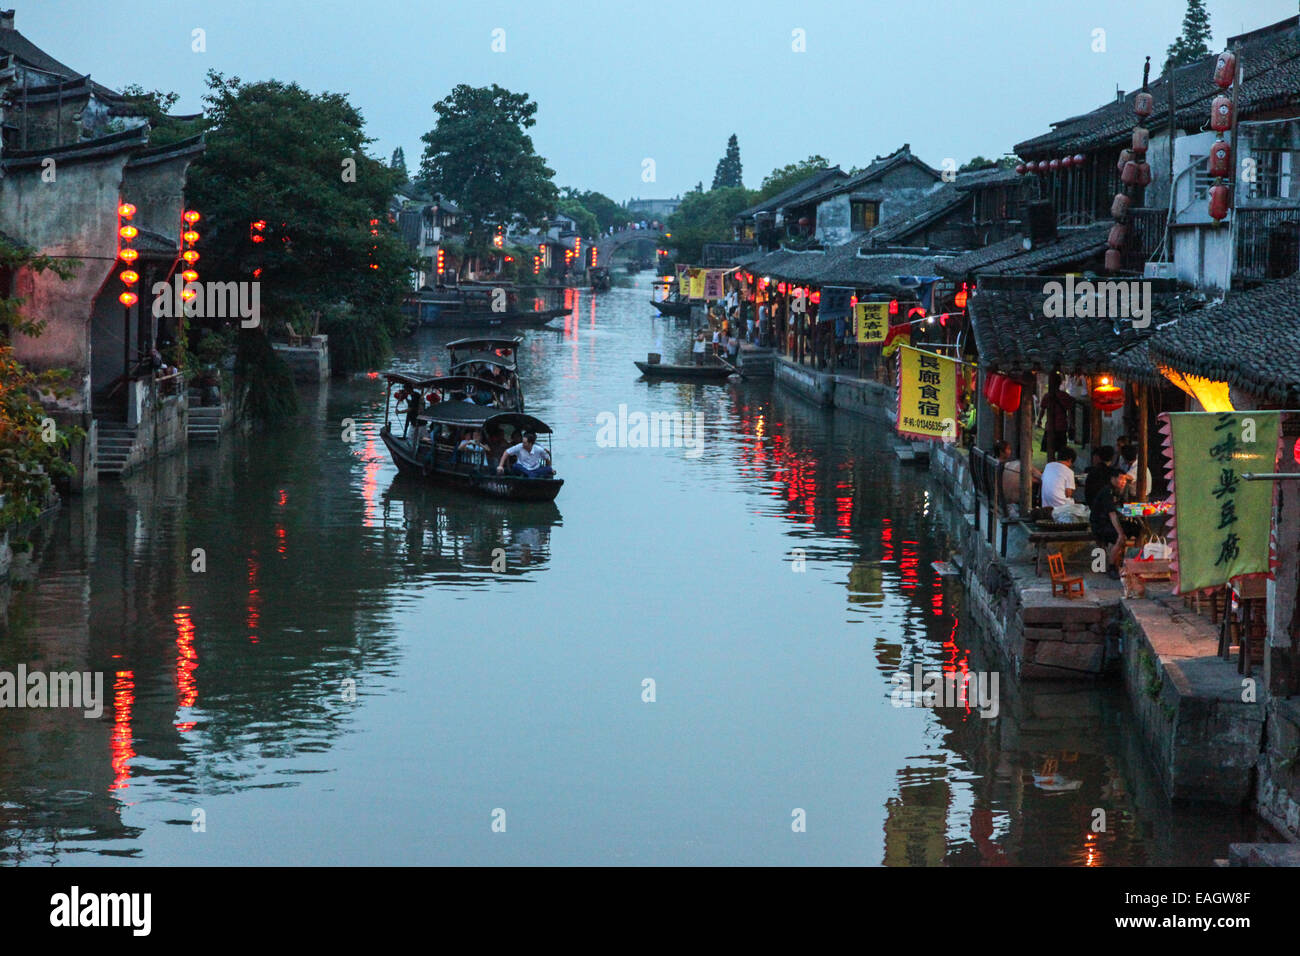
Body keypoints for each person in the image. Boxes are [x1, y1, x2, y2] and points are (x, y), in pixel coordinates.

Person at [1089, 467, 1131, 579]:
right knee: (1119, 536)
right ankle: (1112, 567)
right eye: (1121, 479)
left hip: (1110, 522)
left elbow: (1124, 507)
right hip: (1100, 524)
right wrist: (1121, 533)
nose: (1123, 482)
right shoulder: (1107, 492)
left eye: (1125, 480)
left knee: (1135, 529)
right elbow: (1112, 514)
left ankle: (1128, 563)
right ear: (1113, 479)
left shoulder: (1119, 491)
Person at [994, 439, 1041, 515]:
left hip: (1003, 501)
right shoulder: (1027, 467)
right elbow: (1042, 478)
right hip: (1016, 502)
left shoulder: (1008, 464)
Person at [1038, 388, 1075, 453]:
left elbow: (1042, 410)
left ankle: (1051, 461)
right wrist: (1071, 424)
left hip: (1050, 427)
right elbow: (1070, 411)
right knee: (1061, 450)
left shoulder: (1047, 396)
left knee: (1050, 449)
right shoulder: (1064, 396)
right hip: (1061, 427)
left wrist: (1039, 420)